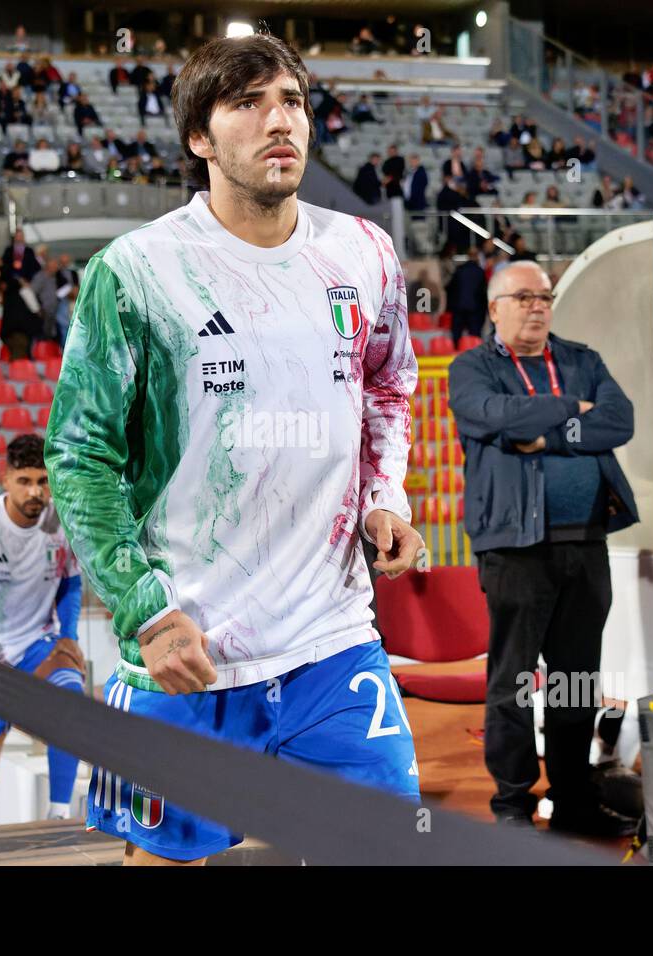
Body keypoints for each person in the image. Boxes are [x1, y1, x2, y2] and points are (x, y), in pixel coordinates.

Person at [46, 33, 424, 865]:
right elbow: (79, 456)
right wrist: (145, 612)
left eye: (289, 100)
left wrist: (384, 497)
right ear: (200, 139)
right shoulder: (138, 272)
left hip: (335, 644)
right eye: (246, 105)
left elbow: (390, 387)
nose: (277, 120)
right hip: (193, 653)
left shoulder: (363, 253)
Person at [447, 261, 641, 836]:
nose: (537, 306)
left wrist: (548, 435)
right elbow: (490, 415)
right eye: (523, 296)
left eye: (545, 297)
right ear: (494, 308)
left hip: (584, 541)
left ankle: (573, 795)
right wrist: (570, 408)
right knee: (512, 680)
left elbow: (618, 421)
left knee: (575, 680)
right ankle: (511, 805)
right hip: (514, 544)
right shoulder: (472, 367)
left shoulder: (582, 359)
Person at [0, 434, 85, 824]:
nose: (35, 491)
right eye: (25, 481)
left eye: (43, 480)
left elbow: (71, 583)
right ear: (6, 479)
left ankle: (60, 820)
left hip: (37, 646)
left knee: (71, 702)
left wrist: (68, 634)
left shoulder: (62, 522)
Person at [446, 246, 488, 345]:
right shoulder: (480, 272)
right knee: (475, 338)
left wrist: (450, 307)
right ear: (477, 256)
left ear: (468, 256)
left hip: (459, 309)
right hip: (475, 310)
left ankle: (456, 356)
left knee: (456, 338)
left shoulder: (459, 270)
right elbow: (483, 293)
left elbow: (450, 289)